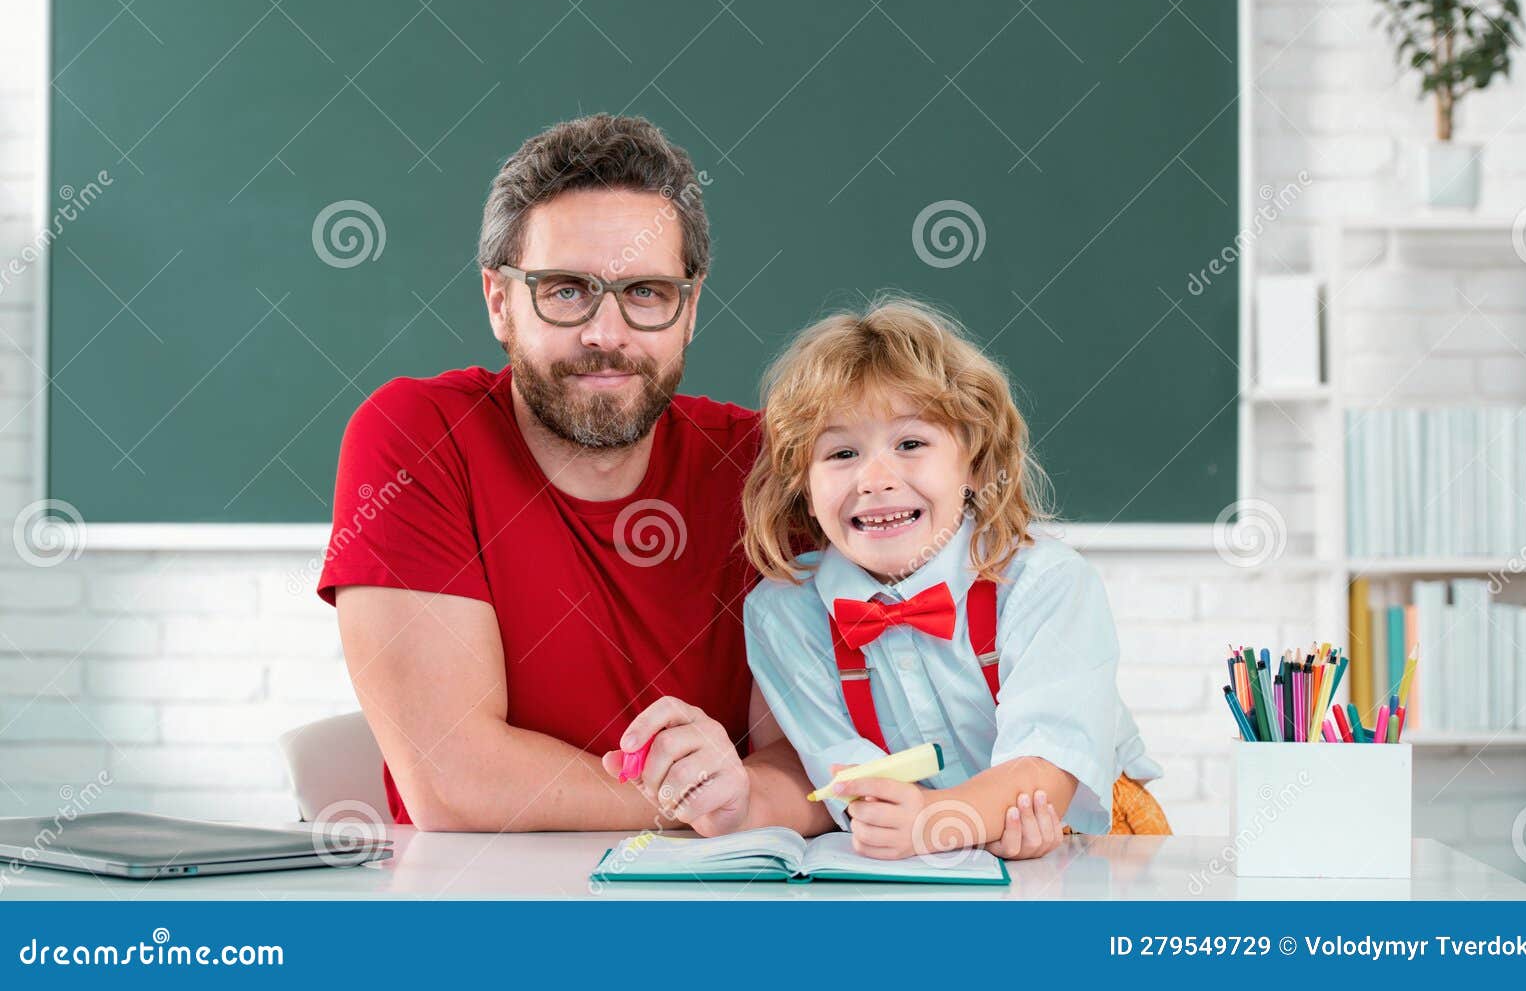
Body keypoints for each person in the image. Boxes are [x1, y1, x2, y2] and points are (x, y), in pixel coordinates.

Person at [319, 113, 829, 838]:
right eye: (565, 290)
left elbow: (828, 761)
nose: (606, 334)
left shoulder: (763, 466)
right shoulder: (418, 438)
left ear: (690, 309)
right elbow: (455, 781)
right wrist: (716, 802)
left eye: (646, 293)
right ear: (500, 301)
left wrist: (750, 792)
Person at [740, 296, 1169, 860]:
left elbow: (1052, 761)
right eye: (842, 452)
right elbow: (844, 777)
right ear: (802, 484)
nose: (875, 478)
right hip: (922, 859)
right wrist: (925, 824)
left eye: (910, 443)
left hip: (1087, 837)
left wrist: (941, 818)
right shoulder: (785, 613)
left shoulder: (1047, 583)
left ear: (975, 462)